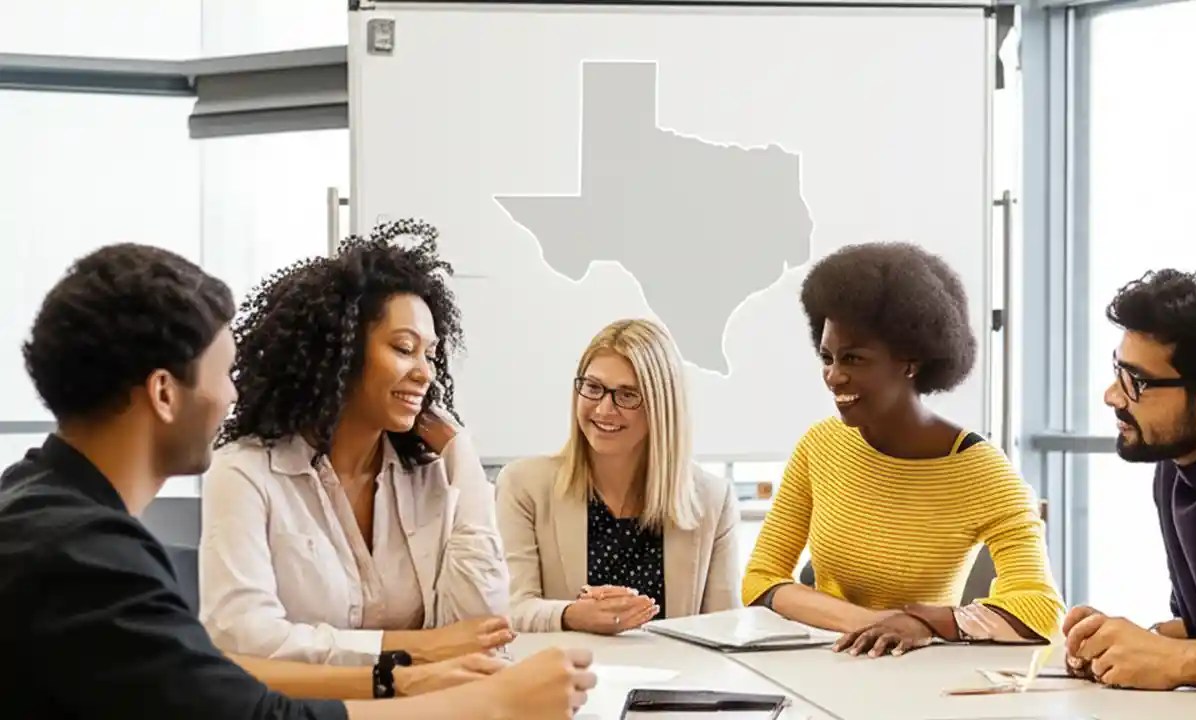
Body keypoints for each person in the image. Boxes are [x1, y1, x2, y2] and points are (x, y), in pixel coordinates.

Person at [0, 243, 595, 719]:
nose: (234, 394)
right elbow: (248, 698)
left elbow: (215, 672)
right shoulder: (85, 557)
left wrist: (401, 675)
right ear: (163, 392)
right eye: (224, 372)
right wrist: (483, 703)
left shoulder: (49, 512)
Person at [200, 220, 512, 667]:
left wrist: (461, 451)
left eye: (431, 353)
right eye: (404, 348)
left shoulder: (429, 474)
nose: (426, 372)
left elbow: (480, 630)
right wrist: (412, 649)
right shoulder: (245, 472)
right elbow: (244, 638)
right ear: (340, 352)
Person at [743, 242, 1065, 657]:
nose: (833, 376)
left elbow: (1040, 610)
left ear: (909, 363)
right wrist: (881, 624)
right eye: (827, 357)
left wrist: (923, 624)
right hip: (827, 664)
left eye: (854, 359)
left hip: (921, 675)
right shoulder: (821, 445)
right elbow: (761, 579)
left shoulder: (982, 471)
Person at [1064, 268, 1196, 696]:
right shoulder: (1177, 468)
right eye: (1118, 371)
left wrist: (1176, 660)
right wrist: (1122, 643)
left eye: (1136, 381)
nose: (1112, 395)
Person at [496, 319, 742, 633]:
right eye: (593, 388)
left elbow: (724, 628)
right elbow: (510, 609)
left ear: (661, 407)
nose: (603, 410)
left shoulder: (712, 499)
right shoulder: (524, 485)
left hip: (677, 679)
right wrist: (571, 614)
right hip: (567, 677)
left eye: (627, 395)